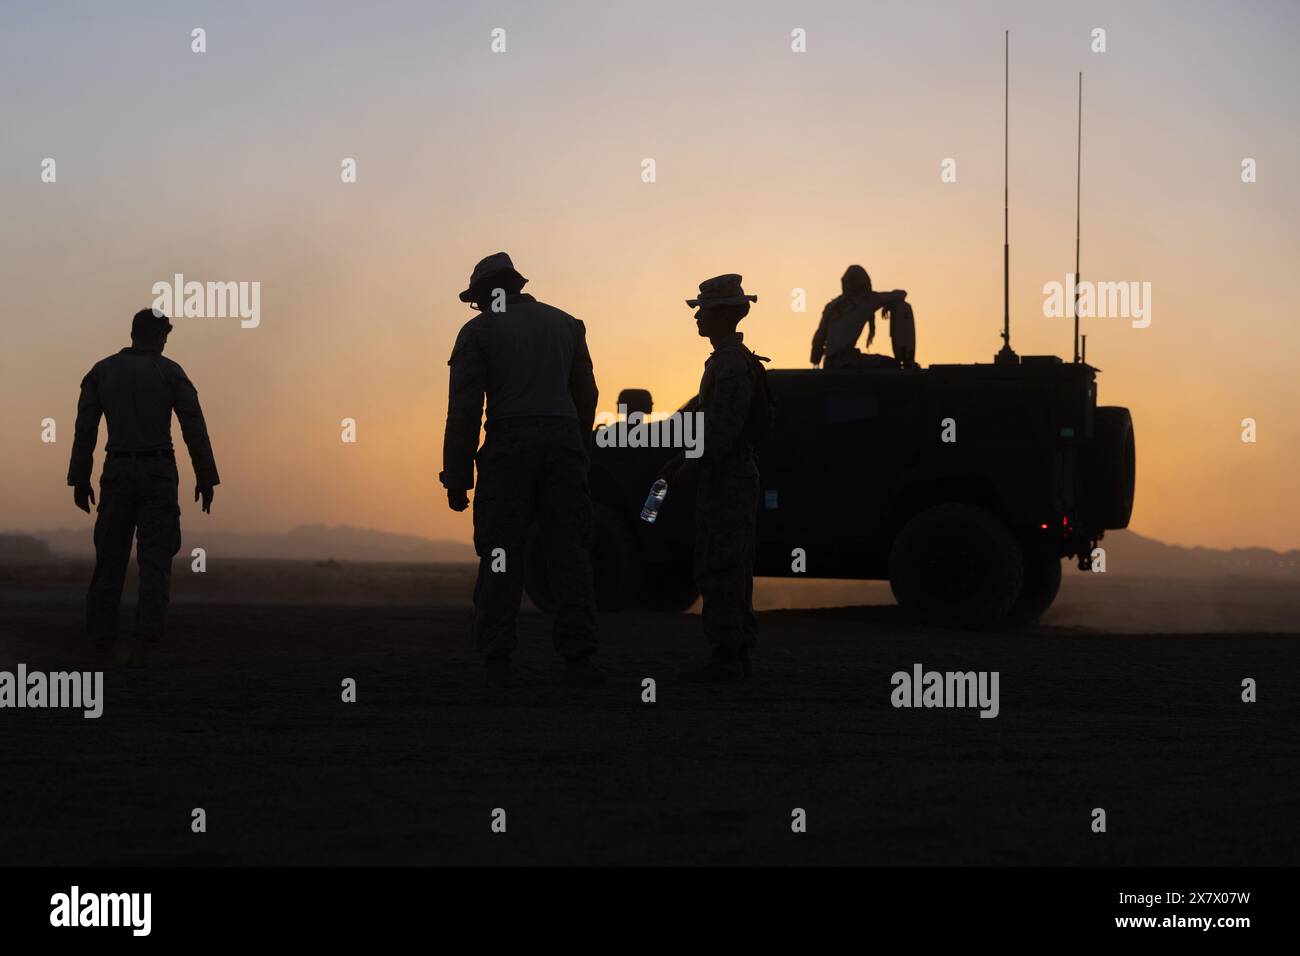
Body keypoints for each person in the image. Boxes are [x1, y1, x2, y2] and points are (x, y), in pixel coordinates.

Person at [440, 252, 602, 688]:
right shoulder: (567, 324)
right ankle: (579, 659)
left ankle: (497, 659)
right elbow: (586, 393)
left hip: (510, 445)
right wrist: (577, 448)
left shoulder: (478, 331)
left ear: (483, 294)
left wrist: (457, 476)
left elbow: (465, 409)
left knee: (499, 554)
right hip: (564, 441)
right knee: (570, 552)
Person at [67, 308, 219, 652]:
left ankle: (101, 632)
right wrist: (206, 476)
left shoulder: (102, 372)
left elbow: (85, 430)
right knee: (155, 557)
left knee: (110, 555)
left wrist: (80, 477)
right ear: (154, 335)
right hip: (158, 472)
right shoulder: (168, 372)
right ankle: (148, 633)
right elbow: (194, 427)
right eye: (163, 335)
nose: (165, 341)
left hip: (117, 470)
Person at [662, 274, 764, 682]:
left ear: (722, 314)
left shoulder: (731, 365)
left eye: (703, 310)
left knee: (724, 566)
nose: (698, 318)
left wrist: (693, 466)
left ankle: (729, 655)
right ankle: (731, 652)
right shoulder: (728, 362)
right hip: (724, 476)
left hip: (728, 479)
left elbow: (722, 429)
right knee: (722, 564)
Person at [810, 265, 908, 369]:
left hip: (829, 363)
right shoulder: (867, 300)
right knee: (892, 364)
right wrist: (889, 304)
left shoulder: (831, 306)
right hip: (847, 362)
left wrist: (816, 364)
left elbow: (818, 339)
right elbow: (901, 294)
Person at [882, 299, 918, 368]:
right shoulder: (904, 307)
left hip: (902, 336)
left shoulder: (898, 307)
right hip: (902, 334)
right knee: (902, 340)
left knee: (901, 341)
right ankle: (907, 359)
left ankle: (906, 359)